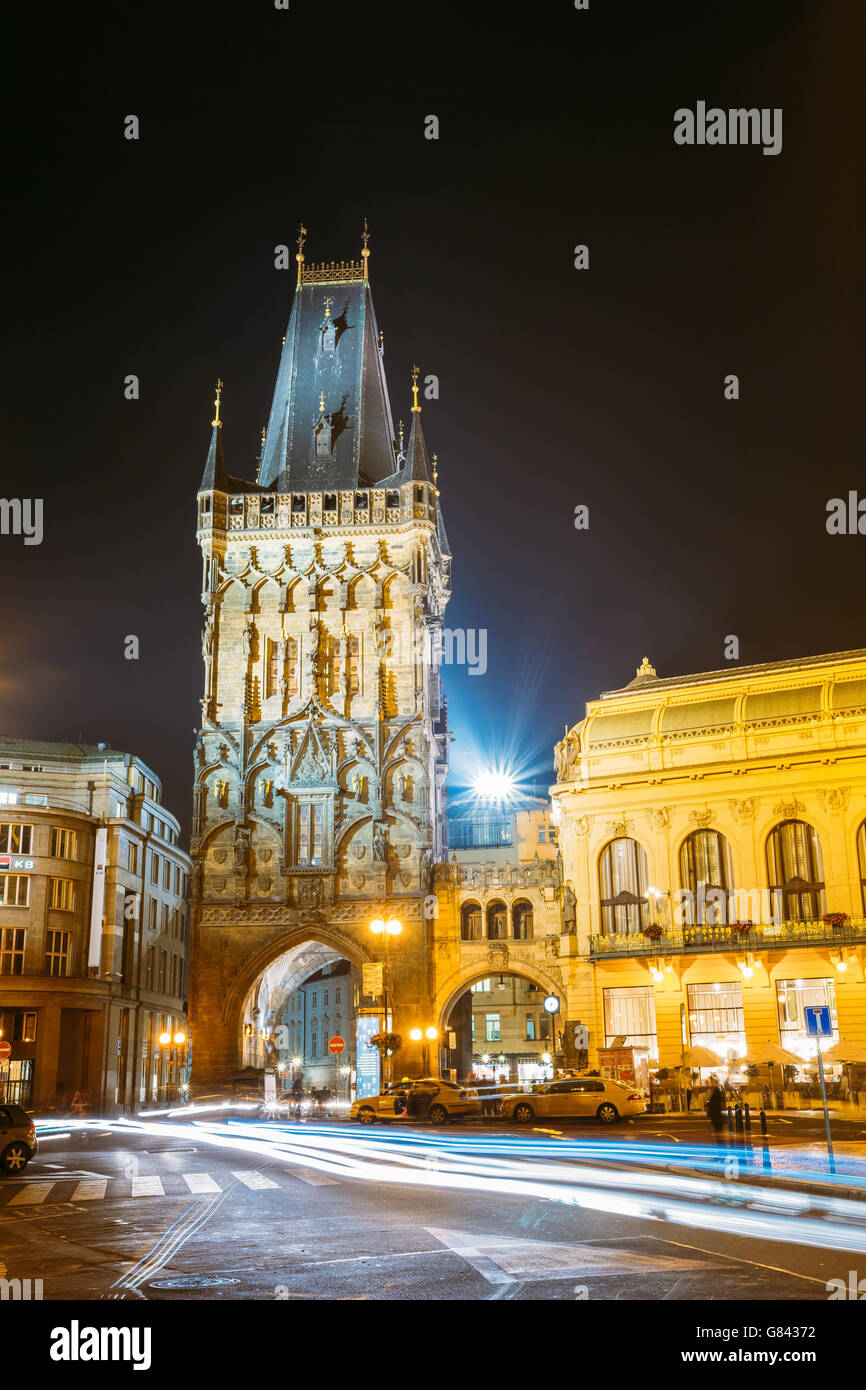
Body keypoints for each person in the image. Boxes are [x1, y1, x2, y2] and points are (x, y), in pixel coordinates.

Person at [705, 1076, 726, 1148]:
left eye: (712, 1081)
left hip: (716, 1115)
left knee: (718, 1131)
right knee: (719, 1131)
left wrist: (708, 1104)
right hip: (716, 1115)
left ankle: (721, 1146)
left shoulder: (716, 1089)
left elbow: (714, 1101)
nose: (710, 1083)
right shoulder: (717, 1089)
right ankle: (721, 1145)